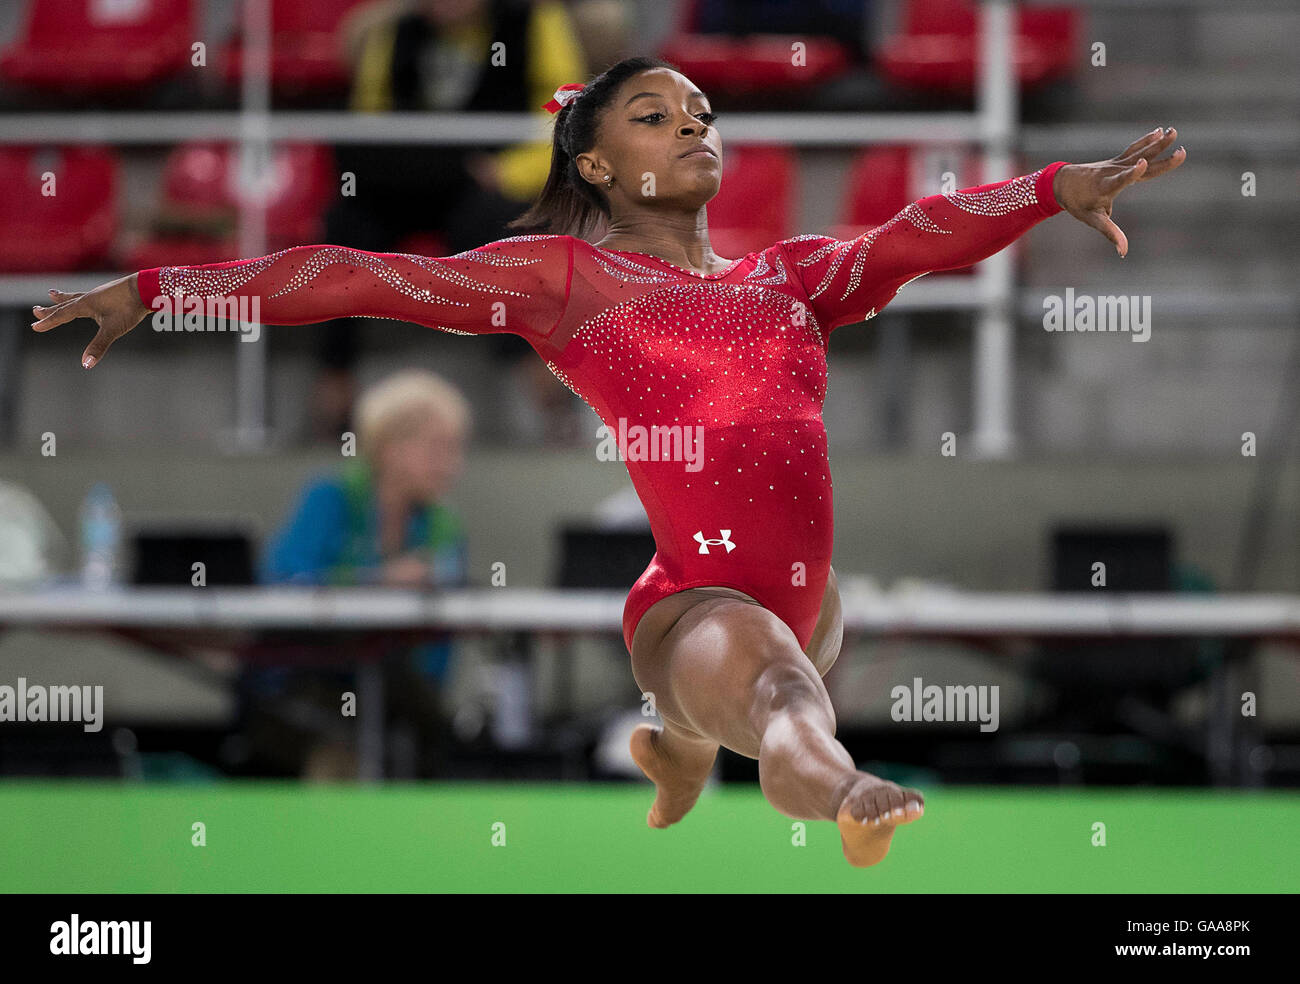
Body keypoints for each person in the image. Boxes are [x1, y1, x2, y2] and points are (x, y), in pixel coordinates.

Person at [31, 56, 1186, 865]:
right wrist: (159, 286)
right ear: (589, 165)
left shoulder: (785, 278)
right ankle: (847, 794)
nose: (693, 126)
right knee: (784, 688)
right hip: (696, 598)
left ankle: (677, 753)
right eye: (652, 115)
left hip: (800, 592)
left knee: (783, 653)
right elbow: (356, 274)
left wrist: (1048, 190)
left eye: (699, 112)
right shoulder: (564, 281)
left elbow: (911, 235)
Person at [248, 369, 471, 779]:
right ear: (390, 447)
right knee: (335, 754)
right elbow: (280, 582)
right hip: (305, 686)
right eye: (438, 448)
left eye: (456, 450)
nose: (452, 465)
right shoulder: (329, 499)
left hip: (400, 702)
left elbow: (442, 649)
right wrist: (376, 580)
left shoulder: (444, 526)